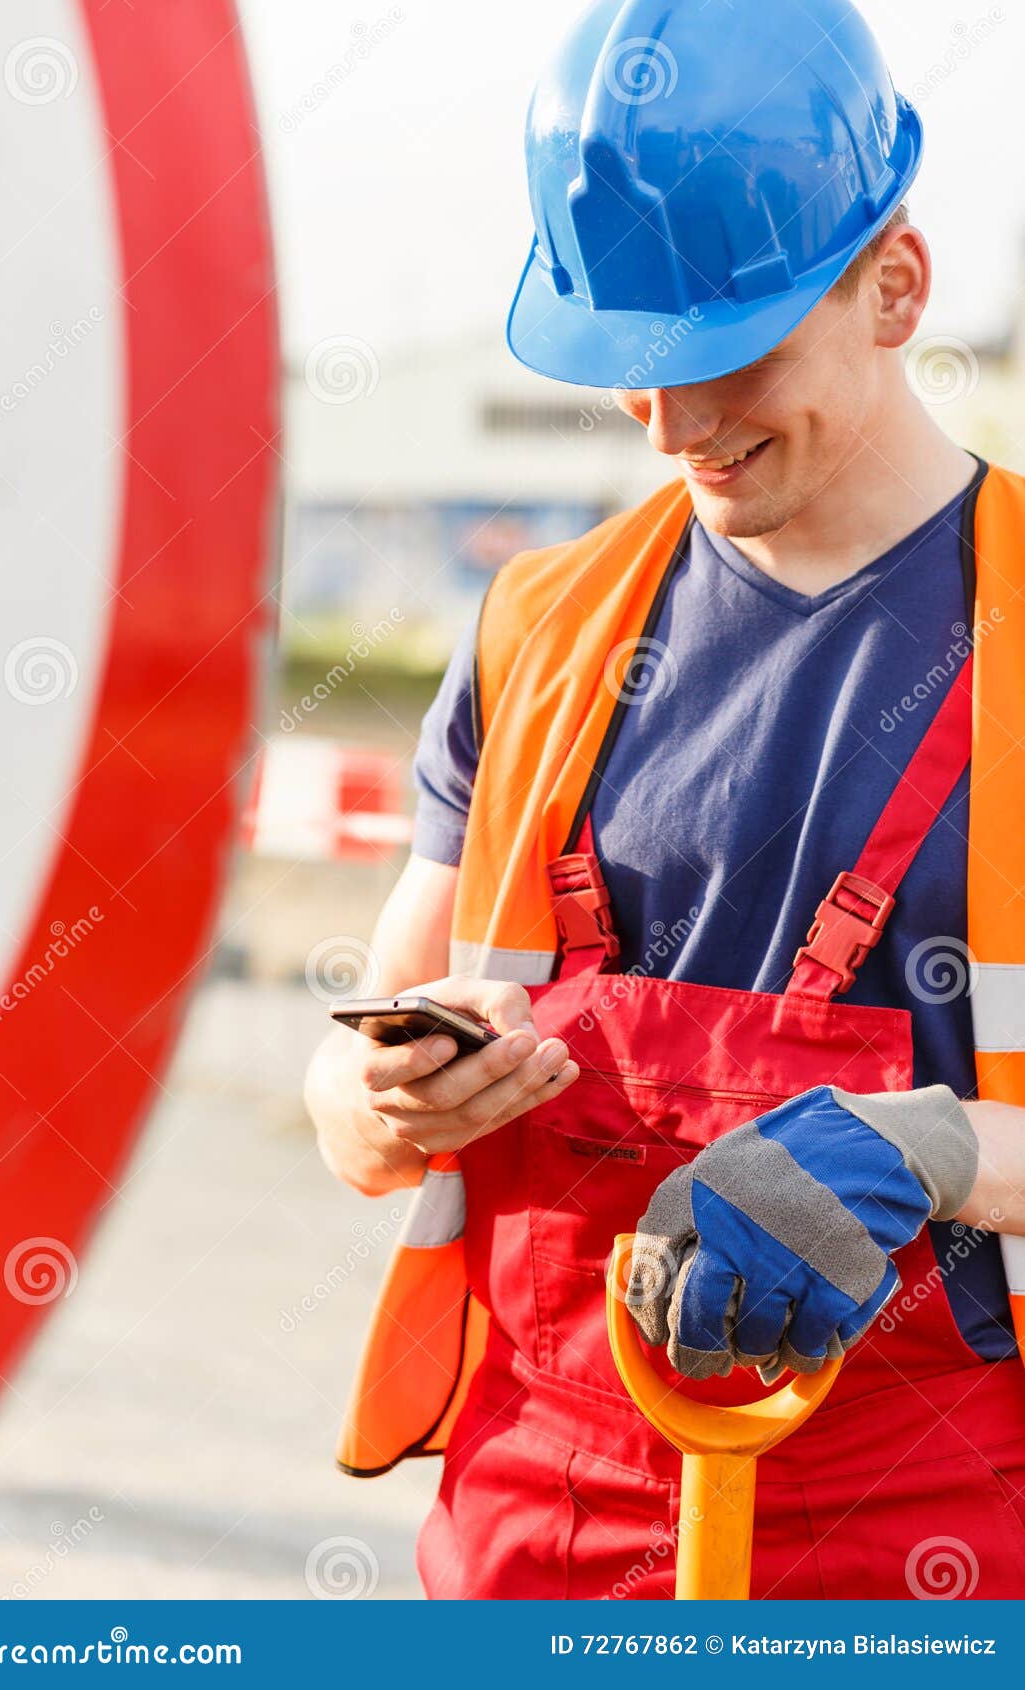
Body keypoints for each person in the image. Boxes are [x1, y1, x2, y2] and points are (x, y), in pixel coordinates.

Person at [306, 0, 1025, 1599]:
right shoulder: (540, 628)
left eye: (730, 353)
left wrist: (936, 1150)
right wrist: (379, 1098)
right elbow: (352, 1072)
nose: (677, 421)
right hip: (538, 1523)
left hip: (923, 1532)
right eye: (635, 364)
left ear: (895, 285)